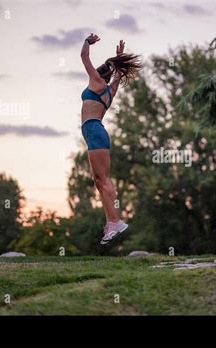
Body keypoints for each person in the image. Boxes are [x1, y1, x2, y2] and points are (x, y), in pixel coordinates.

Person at [80, 33, 142, 245]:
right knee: (99, 181)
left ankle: (116, 221)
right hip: (93, 133)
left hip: (95, 131)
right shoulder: (109, 89)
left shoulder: (96, 82)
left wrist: (87, 42)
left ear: (100, 74)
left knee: (103, 180)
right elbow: (116, 78)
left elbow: (83, 57)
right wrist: (119, 57)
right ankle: (111, 223)